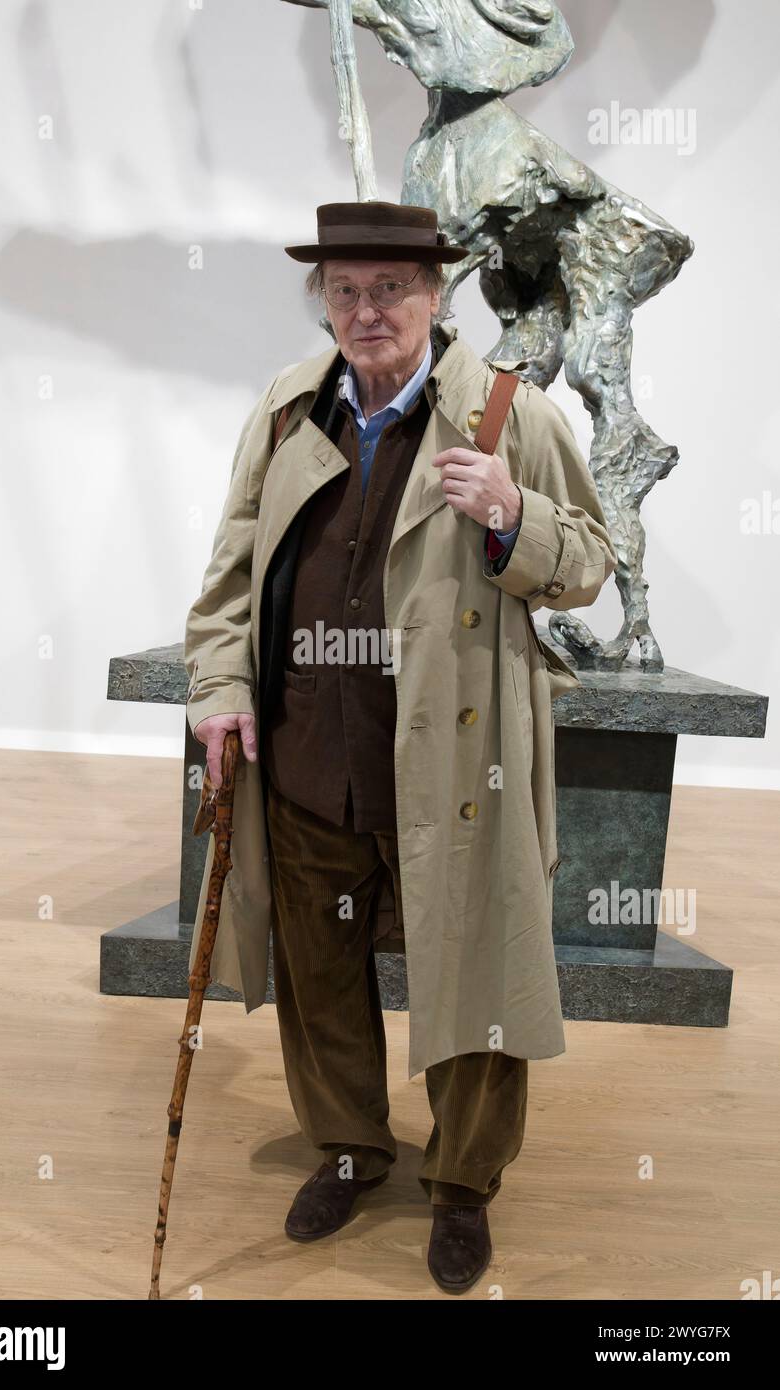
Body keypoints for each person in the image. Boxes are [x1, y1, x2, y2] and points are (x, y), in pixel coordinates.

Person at [184, 200, 616, 1294]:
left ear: (436, 294)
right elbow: (230, 579)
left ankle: (462, 1182)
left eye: (389, 289)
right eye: (344, 290)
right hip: (301, 753)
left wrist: (514, 516)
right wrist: (221, 686)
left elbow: (590, 565)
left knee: (470, 973)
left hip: (450, 762)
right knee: (319, 974)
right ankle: (347, 1144)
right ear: (322, 300)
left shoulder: (507, 415)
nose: (365, 310)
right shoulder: (287, 412)